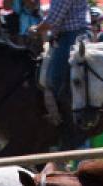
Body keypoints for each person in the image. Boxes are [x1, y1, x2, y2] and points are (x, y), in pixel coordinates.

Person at [30, 0, 87, 129]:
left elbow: (53, 20)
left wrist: (35, 30)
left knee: (54, 77)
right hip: (72, 34)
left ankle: (67, 121)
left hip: (71, 37)